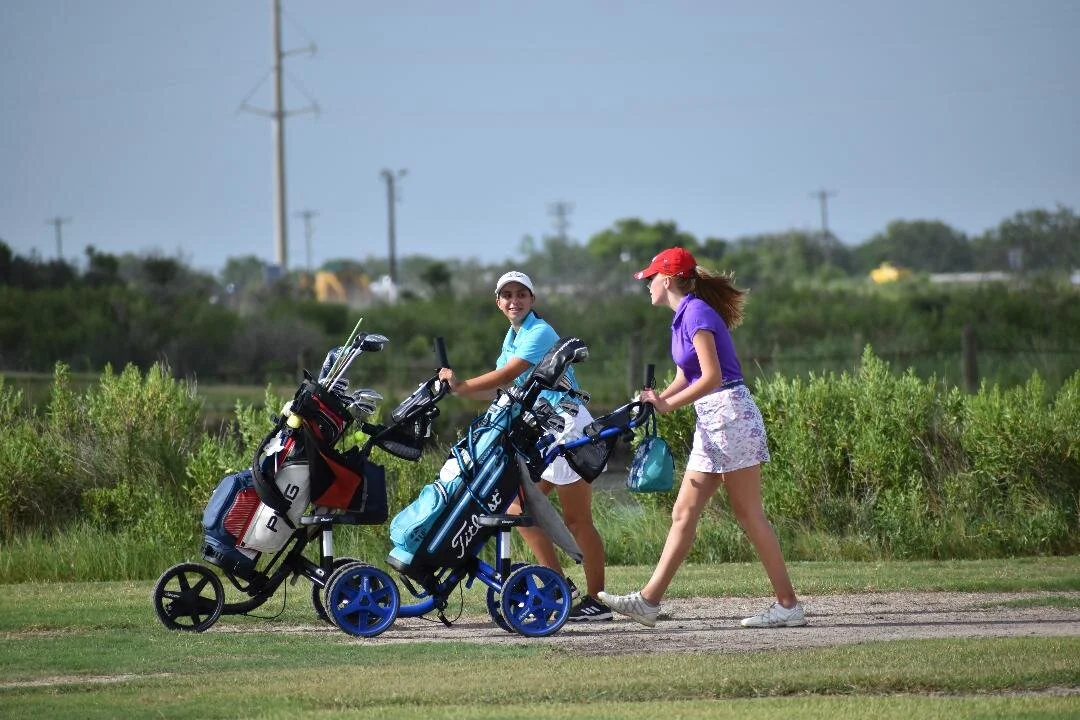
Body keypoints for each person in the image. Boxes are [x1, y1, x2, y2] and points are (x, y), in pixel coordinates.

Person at [598, 248, 806, 629]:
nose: (646, 286)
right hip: (711, 419)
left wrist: (670, 406)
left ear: (666, 279)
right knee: (684, 513)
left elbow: (710, 376)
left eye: (649, 279)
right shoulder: (682, 317)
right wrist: (659, 399)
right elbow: (685, 375)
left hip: (728, 413)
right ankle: (648, 601)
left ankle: (788, 605)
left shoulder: (695, 313)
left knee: (748, 513)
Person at [437, 270, 613, 622]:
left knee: (578, 520)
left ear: (532, 300)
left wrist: (461, 385)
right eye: (507, 296)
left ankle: (598, 601)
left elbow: (506, 375)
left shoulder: (539, 331)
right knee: (517, 509)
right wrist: (459, 391)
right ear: (498, 302)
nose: (514, 301)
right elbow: (506, 388)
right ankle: (559, 586)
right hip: (542, 431)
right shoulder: (513, 334)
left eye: (521, 294)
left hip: (567, 428)